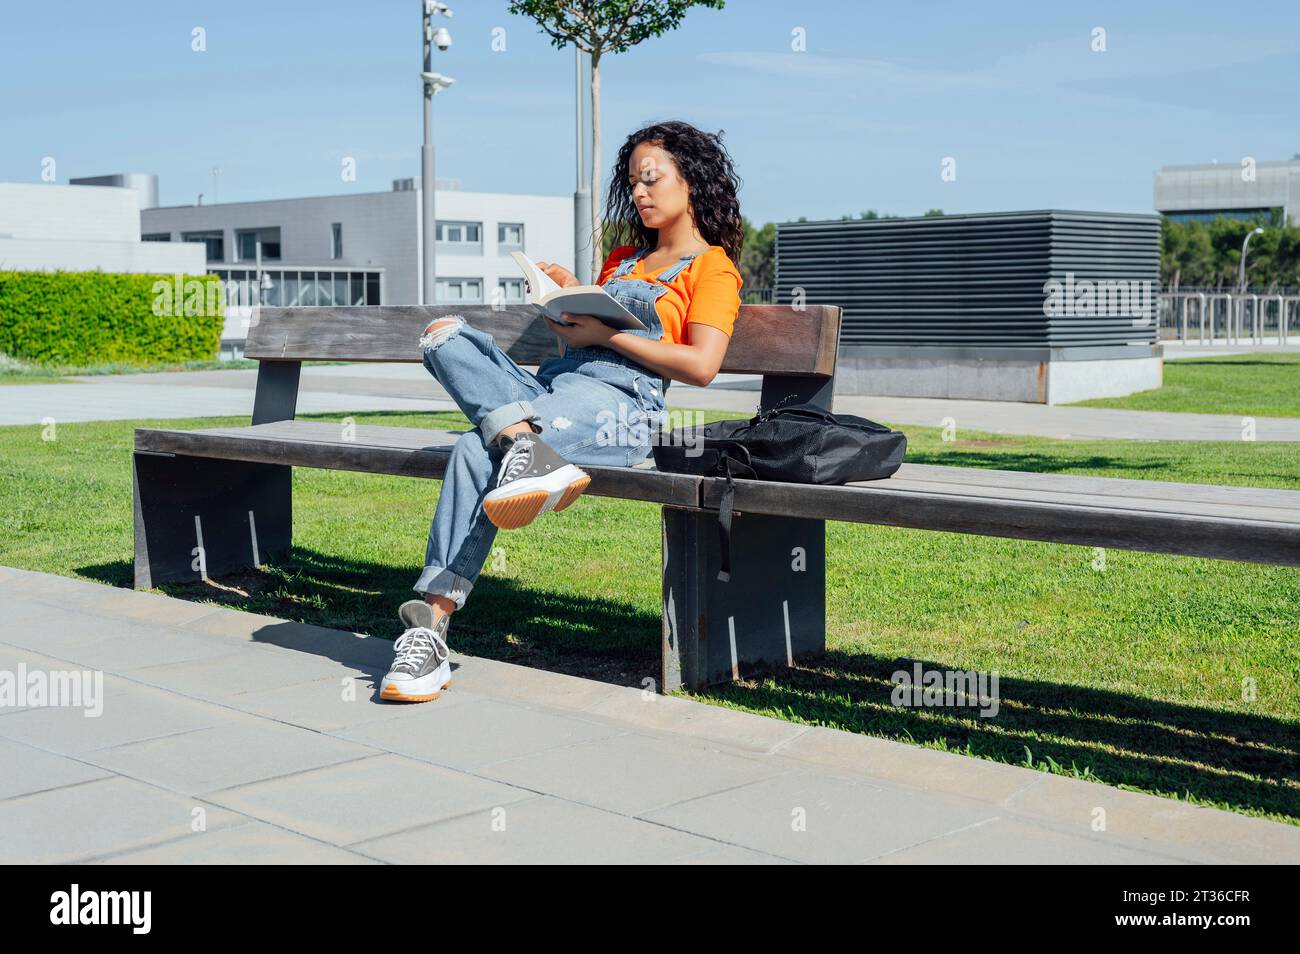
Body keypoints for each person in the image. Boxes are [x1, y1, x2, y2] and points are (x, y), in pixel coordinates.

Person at [380, 120, 745, 702]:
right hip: (555, 390)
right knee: (445, 337)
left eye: (652, 179)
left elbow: (702, 365)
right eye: (634, 182)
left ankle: (430, 629)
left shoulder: (712, 269)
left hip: (622, 406)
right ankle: (527, 450)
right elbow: (574, 350)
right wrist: (565, 302)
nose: (641, 192)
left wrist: (608, 334)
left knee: (477, 445)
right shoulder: (623, 263)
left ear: (692, 183)